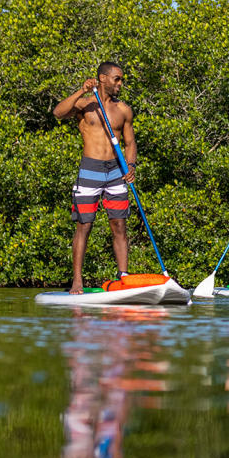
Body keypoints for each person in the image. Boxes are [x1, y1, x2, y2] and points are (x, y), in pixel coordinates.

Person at [52, 62, 137, 293]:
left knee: (119, 225)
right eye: (116, 79)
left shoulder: (124, 110)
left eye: (121, 79)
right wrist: (81, 90)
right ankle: (77, 280)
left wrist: (130, 165)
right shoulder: (86, 104)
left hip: (116, 172)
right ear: (103, 78)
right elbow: (58, 113)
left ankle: (123, 278)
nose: (120, 83)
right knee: (84, 225)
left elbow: (130, 143)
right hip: (90, 169)